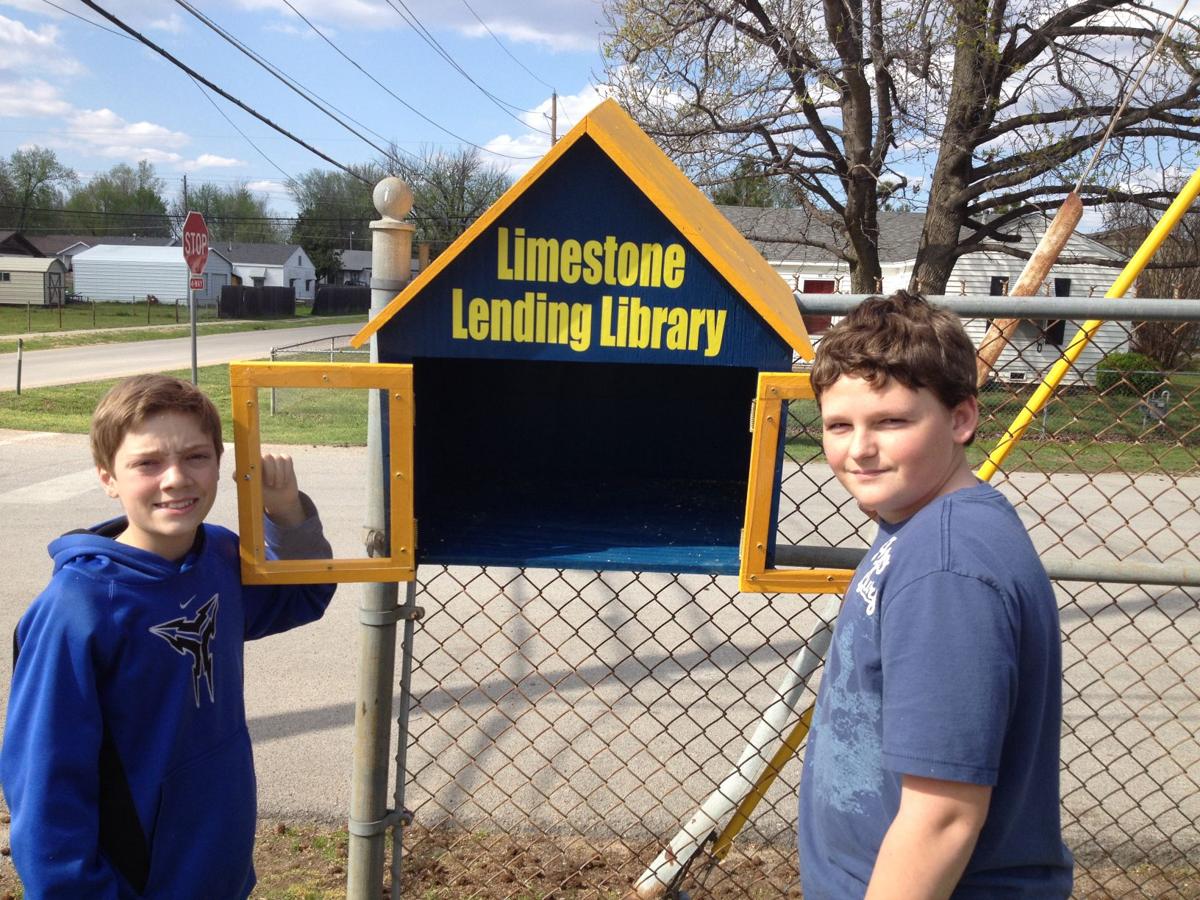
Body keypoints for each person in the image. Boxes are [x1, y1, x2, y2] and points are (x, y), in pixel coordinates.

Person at [1, 374, 337, 899]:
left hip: (215, 866)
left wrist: (286, 513)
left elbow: (302, 598)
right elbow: (46, 790)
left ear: (221, 465)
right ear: (107, 476)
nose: (176, 478)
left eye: (196, 457)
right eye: (147, 462)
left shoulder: (218, 556)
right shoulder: (77, 607)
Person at [797, 291, 1072, 898]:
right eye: (839, 426)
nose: (859, 449)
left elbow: (941, 819)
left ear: (961, 418)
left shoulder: (946, 569)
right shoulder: (915, 527)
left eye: (891, 421)